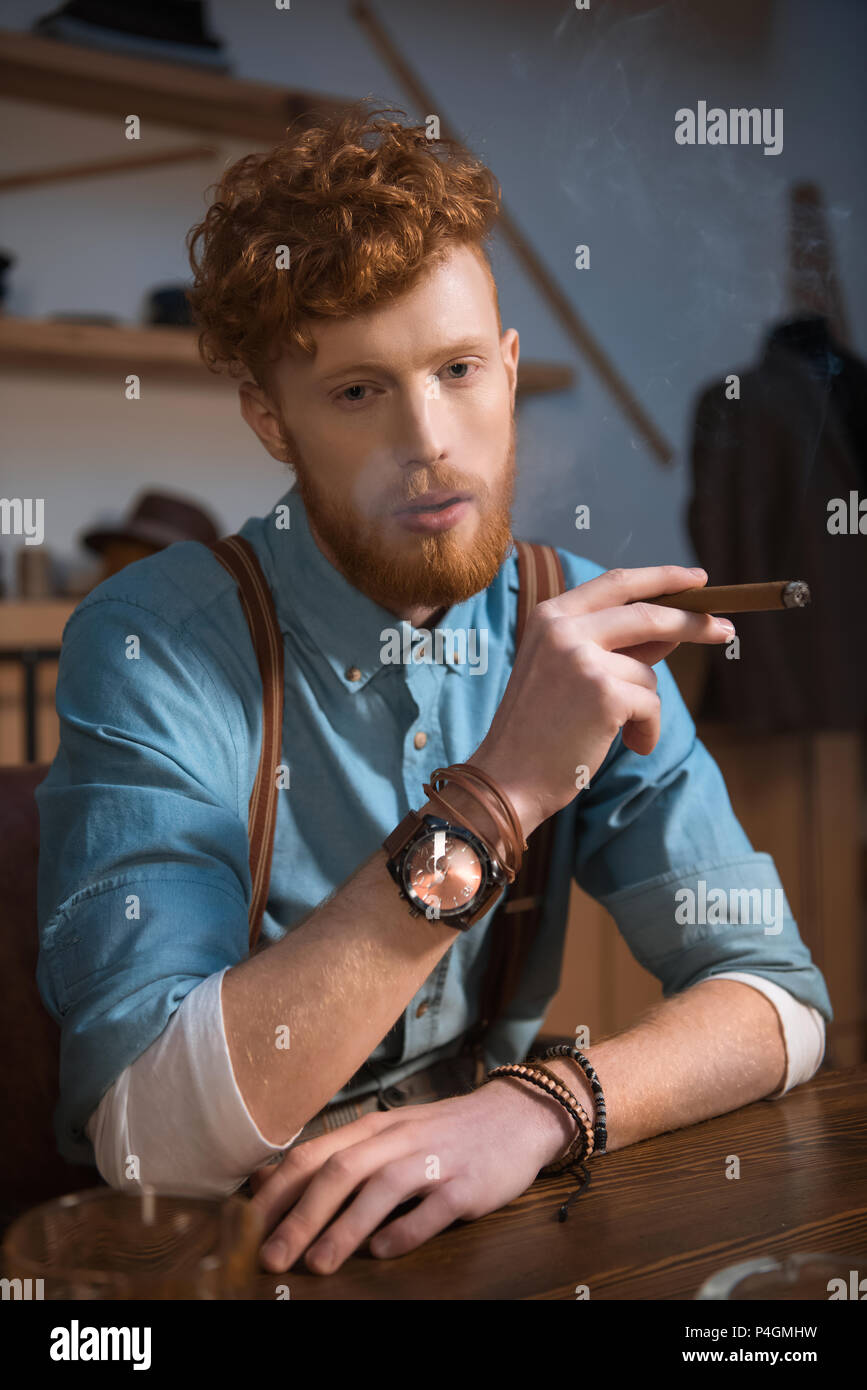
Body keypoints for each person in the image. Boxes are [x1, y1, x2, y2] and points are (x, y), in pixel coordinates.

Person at [36, 103, 830, 1279]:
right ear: (271, 418)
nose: (431, 442)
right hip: (230, 1258)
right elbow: (152, 1142)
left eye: (458, 371)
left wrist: (536, 1108)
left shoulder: (578, 628)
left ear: (507, 372)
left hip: (481, 1231)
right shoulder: (154, 640)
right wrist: (499, 796)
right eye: (359, 392)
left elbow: (779, 999)